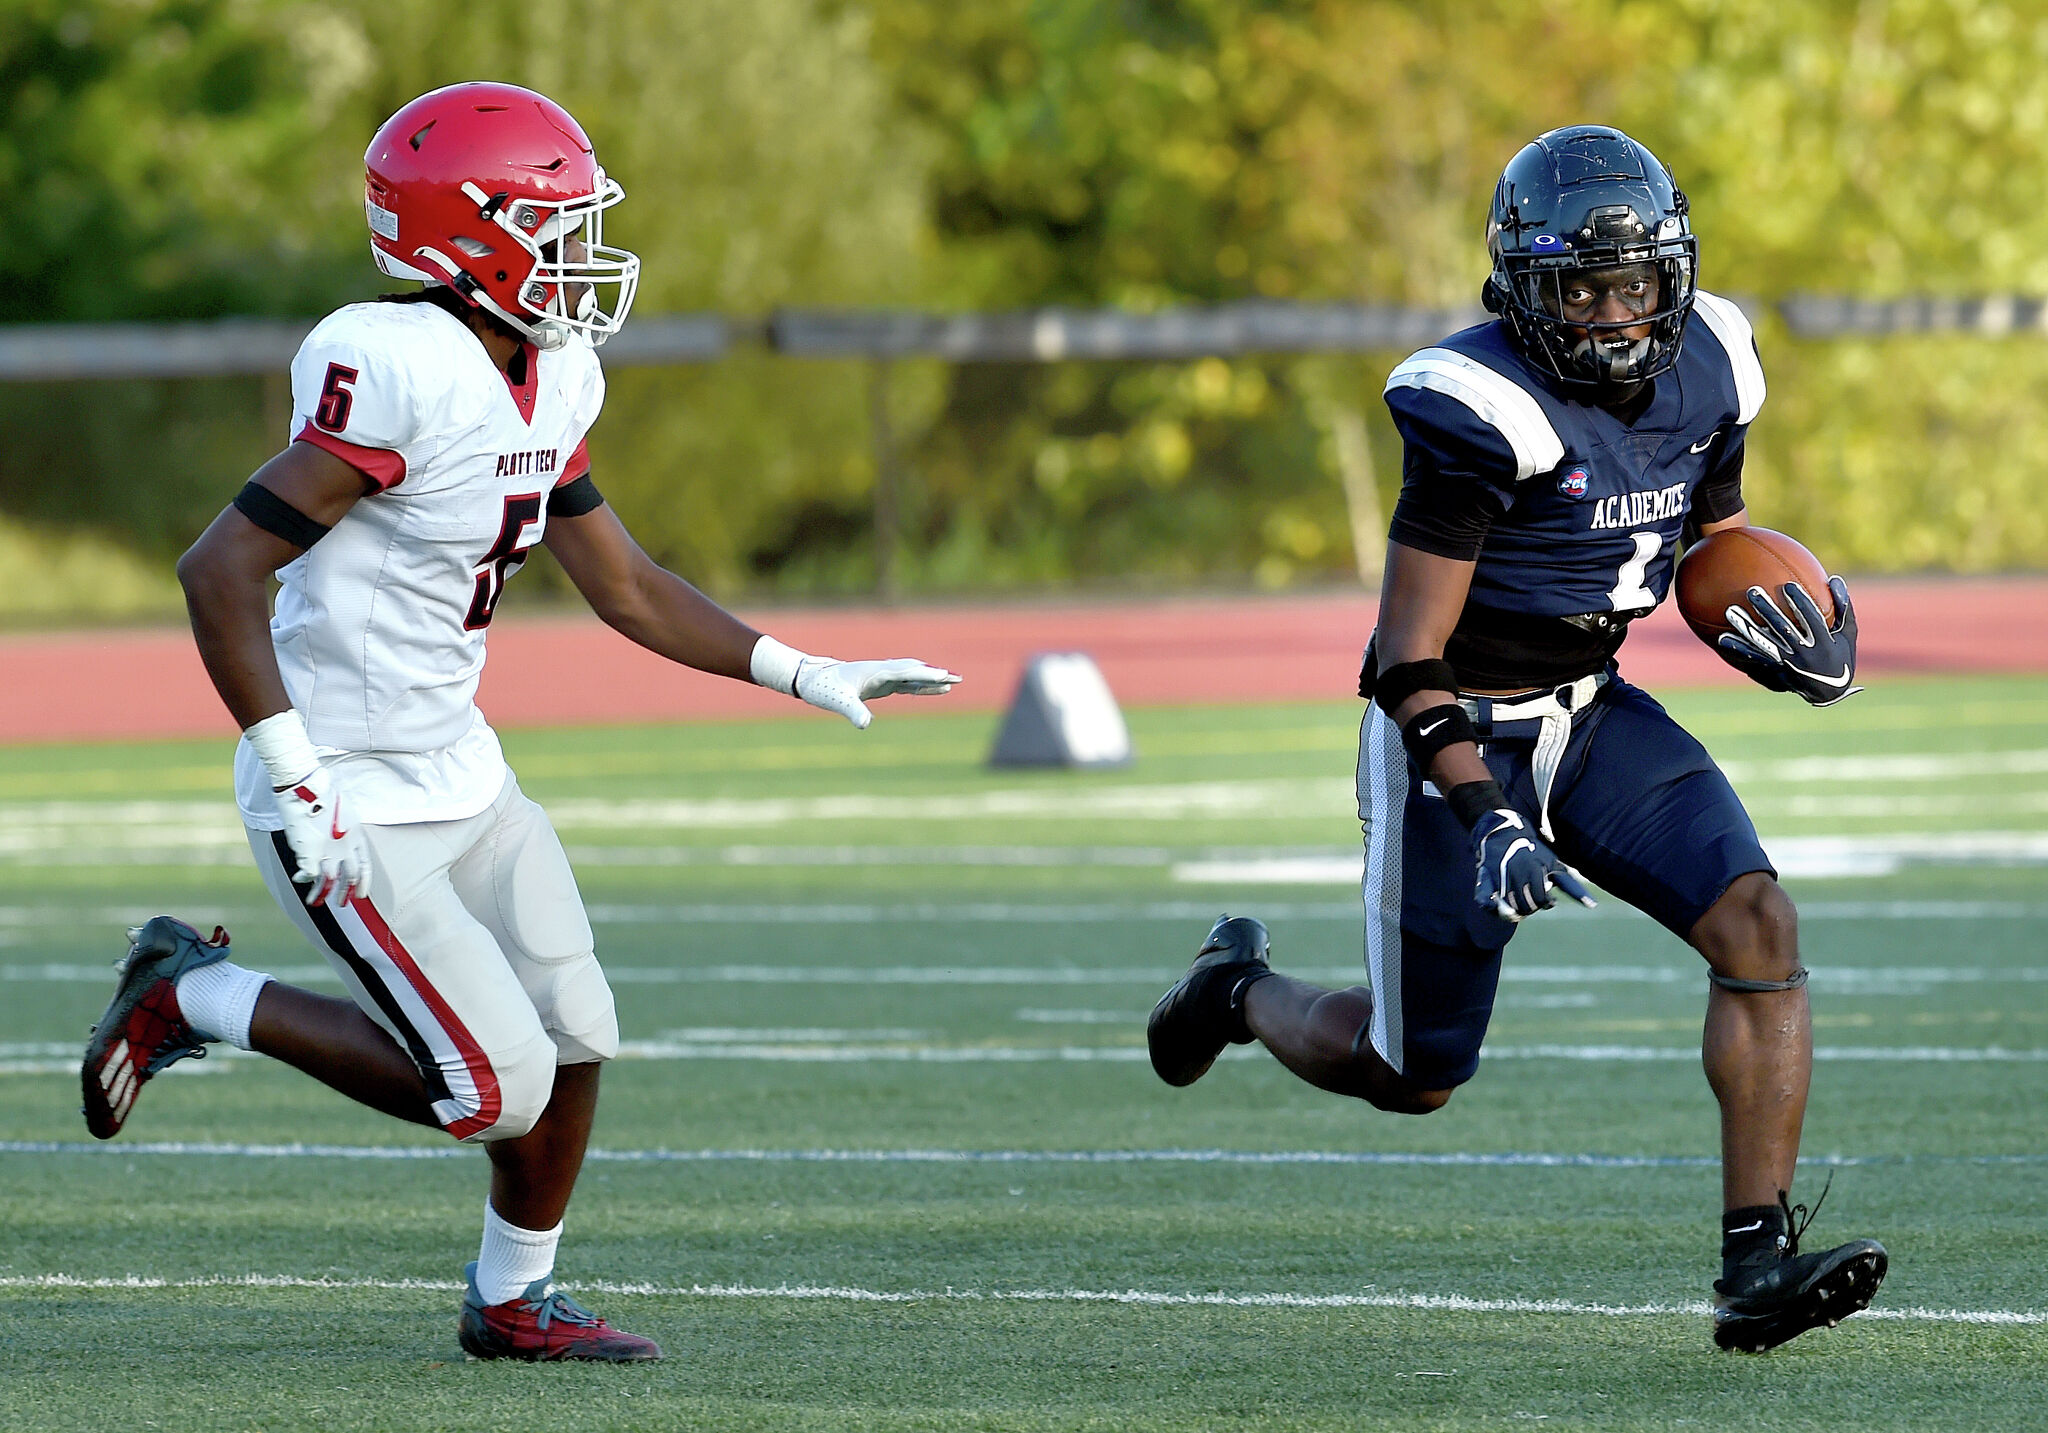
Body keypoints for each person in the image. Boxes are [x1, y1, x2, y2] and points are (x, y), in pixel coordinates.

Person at [79, 81, 960, 1363]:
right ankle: (195, 991)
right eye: (555, 228)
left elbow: (629, 585)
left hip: (463, 774)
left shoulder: (550, 372)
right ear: (465, 237)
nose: (581, 258)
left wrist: (798, 666)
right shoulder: (394, 366)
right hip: (342, 785)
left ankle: (509, 1300)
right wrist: (298, 775)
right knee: (489, 1084)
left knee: (577, 1030)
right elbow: (217, 572)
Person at [1146, 125, 1885, 1353]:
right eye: (1581, 289)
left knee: (1757, 921)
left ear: (1673, 276)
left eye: (1634, 284)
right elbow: (1403, 657)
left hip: (1586, 708)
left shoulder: (1715, 362)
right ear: (1521, 290)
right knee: (1411, 1071)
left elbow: (1712, 537)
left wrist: (1773, 623)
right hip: (1453, 734)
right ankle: (1236, 989)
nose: (1611, 313)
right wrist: (1481, 813)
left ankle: (1752, 1264)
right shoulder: (1473, 405)